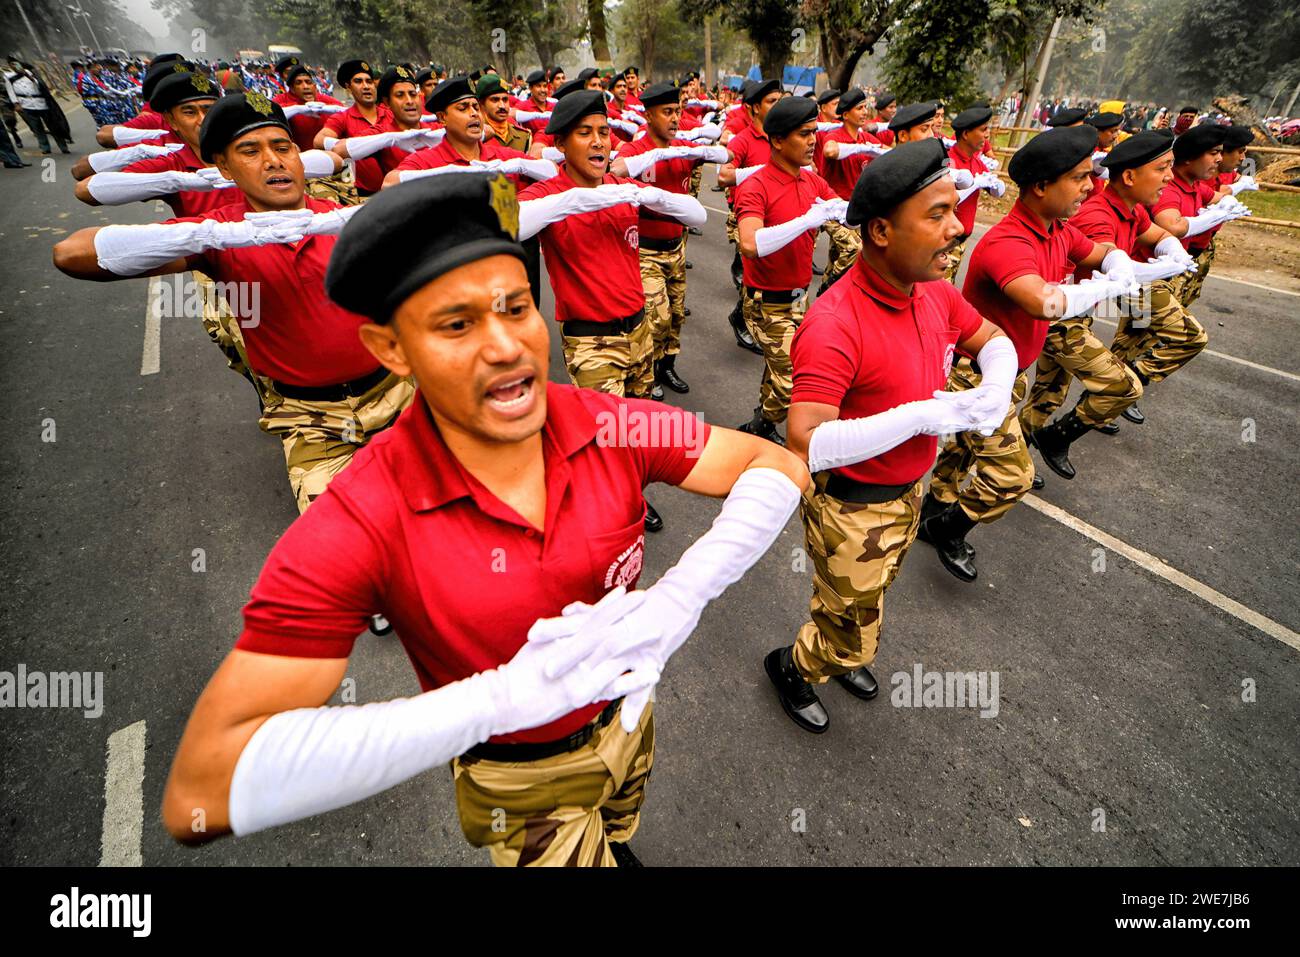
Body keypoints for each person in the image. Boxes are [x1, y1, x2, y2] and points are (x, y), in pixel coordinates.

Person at [160, 173, 809, 867]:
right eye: (457, 323)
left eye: (517, 307)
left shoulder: (604, 421)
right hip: (520, 781)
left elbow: (774, 466)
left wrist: (679, 599)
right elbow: (203, 789)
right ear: (391, 350)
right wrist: (493, 701)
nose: (506, 346)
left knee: (621, 830)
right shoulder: (364, 514)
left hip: (628, 712)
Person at [53, 92, 414, 514]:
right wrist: (227, 231)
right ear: (222, 167)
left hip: (398, 400)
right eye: (250, 151)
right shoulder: (217, 234)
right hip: (316, 426)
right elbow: (72, 255)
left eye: (282, 148)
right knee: (346, 555)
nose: (273, 161)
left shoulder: (340, 217)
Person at [766, 140, 1015, 732]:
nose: (957, 228)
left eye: (953, 211)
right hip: (853, 505)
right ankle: (796, 666)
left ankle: (838, 641)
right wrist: (922, 416)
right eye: (936, 215)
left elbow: (992, 338)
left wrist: (998, 385)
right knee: (849, 623)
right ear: (880, 230)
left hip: (907, 492)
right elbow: (808, 441)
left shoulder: (932, 291)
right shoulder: (836, 322)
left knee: (869, 596)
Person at [517, 89, 708, 533]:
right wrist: (576, 201)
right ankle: (613, 506)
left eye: (604, 132)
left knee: (636, 427)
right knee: (608, 435)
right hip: (591, 340)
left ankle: (629, 490)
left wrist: (646, 195)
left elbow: (697, 214)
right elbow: (509, 222)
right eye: (585, 134)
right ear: (561, 144)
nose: (600, 142)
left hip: (639, 329)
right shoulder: (545, 193)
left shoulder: (623, 189)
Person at [969, 126, 1142, 484]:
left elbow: (1099, 252)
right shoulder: (1010, 241)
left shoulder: (1058, 230)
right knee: (1011, 479)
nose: (1091, 186)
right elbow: (1042, 303)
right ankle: (945, 524)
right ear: (1041, 186)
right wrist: (1104, 288)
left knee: (959, 457)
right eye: (1079, 177)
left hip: (1011, 368)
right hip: (975, 375)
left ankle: (937, 517)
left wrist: (1117, 263)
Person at [732, 96, 851, 444]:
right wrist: (806, 221)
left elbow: (842, 210)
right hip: (766, 304)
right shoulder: (756, 186)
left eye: (814, 131)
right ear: (778, 140)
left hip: (800, 301)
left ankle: (763, 422)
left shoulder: (811, 182)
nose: (813, 140)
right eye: (804, 133)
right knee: (792, 381)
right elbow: (750, 244)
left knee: (780, 368)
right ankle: (760, 427)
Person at [611, 81, 728, 399]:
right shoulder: (636, 149)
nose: (676, 118)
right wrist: (656, 155)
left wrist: (692, 148)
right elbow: (617, 168)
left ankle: (666, 366)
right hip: (645, 250)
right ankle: (646, 372)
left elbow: (724, 152)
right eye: (667, 112)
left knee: (676, 314)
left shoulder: (683, 147)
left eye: (677, 111)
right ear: (648, 116)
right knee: (657, 317)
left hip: (676, 246)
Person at [716, 78, 784, 355]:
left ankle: (746, 316)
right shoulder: (743, 139)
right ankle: (742, 318)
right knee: (752, 276)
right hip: (748, 216)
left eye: (780, 100)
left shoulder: (779, 137)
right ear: (755, 108)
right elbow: (723, 176)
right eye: (771, 102)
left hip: (776, 214)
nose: (778, 106)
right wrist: (760, 173)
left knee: (767, 277)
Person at [944, 104, 1005, 281]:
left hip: (961, 242)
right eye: (983, 130)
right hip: (943, 242)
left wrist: (995, 185)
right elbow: (948, 198)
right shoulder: (947, 159)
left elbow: (996, 192)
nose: (987, 135)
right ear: (965, 134)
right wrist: (974, 183)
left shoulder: (977, 163)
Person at [314, 60, 392, 196]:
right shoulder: (342, 118)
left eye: (369, 81)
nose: (366, 86)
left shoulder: (391, 114)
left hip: (397, 190)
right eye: (358, 81)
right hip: (363, 195)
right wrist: (350, 145)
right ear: (348, 87)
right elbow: (319, 140)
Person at [5, 58, 70, 155]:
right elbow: (10, 91)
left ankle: (63, 146)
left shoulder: (28, 72)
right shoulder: (8, 77)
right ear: (9, 66)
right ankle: (45, 147)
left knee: (53, 126)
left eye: (16, 64)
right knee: (37, 127)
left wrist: (27, 75)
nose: (14, 66)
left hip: (40, 102)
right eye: (12, 64)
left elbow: (39, 84)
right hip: (26, 104)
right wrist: (16, 103)